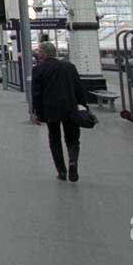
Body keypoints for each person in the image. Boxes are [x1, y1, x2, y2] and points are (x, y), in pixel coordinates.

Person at [31, 41, 88, 182]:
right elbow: (79, 88)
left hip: (51, 110)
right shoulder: (69, 67)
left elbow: (36, 93)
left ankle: (61, 171)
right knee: (73, 138)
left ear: (42, 54)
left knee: (54, 139)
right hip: (70, 108)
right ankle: (73, 161)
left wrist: (36, 111)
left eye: (39, 52)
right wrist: (83, 106)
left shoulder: (39, 69)